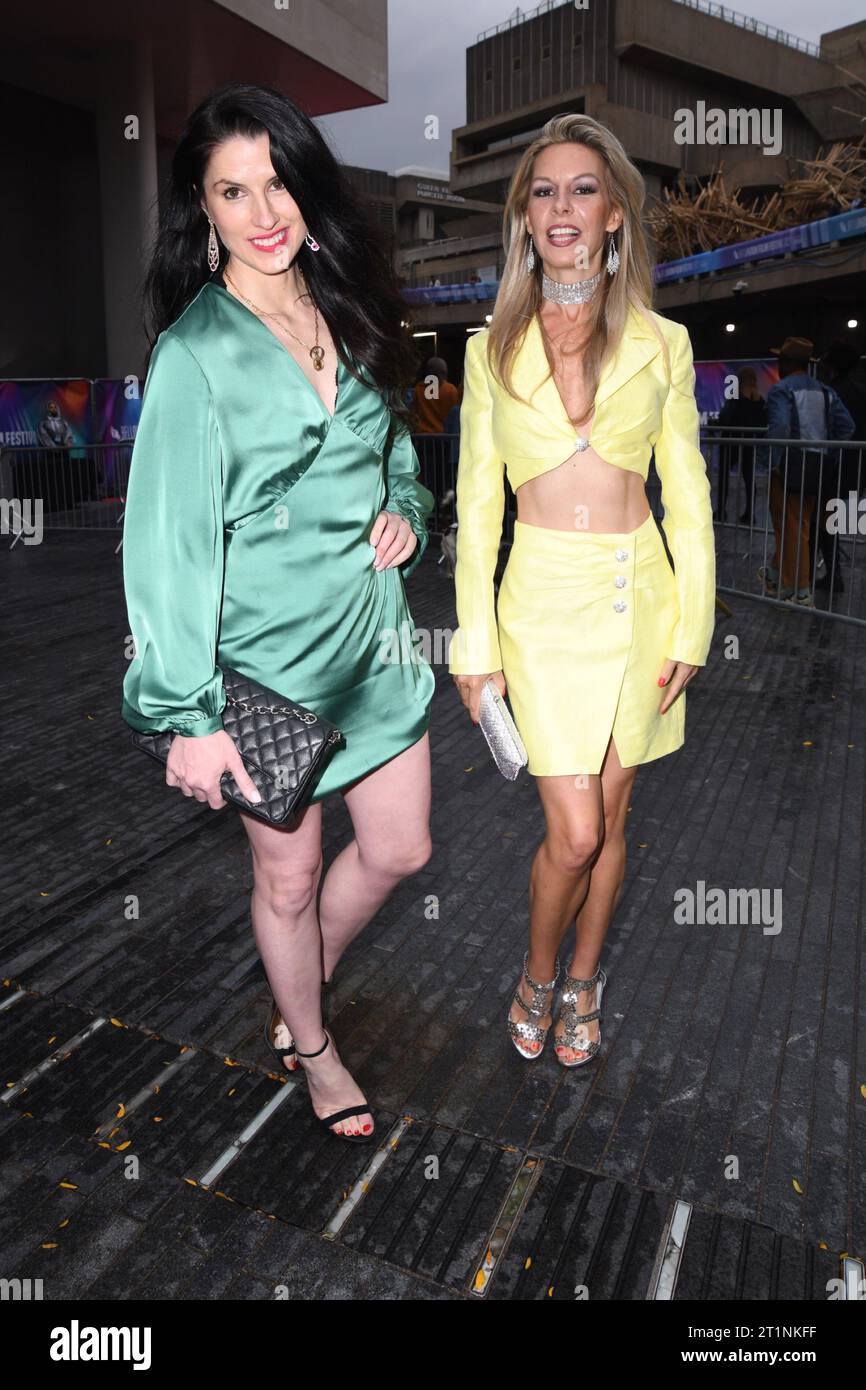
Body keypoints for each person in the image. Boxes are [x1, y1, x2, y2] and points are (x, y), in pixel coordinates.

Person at [121, 82, 436, 1142]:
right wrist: (184, 713)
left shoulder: (347, 309)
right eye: (231, 190)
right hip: (261, 670)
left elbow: (393, 448)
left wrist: (404, 507)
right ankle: (311, 1043)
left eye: (277, 181)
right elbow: (164, 546)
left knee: (400, 850)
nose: (263, 211)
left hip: (376, 642)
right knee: (288, 873)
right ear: (200, 211)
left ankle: (298, 981)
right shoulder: (194, 357)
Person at [449, 114, 715, 1067]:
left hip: (641, 598)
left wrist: (695, 621)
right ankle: (534, 970)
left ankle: (585, 978)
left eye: (584, 190)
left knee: (615, 816)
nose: (563, 206)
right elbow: (479, 506)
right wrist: (470, 645)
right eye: (546, 190)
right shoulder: (489, 348)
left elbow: (685, 492)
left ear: (614, 216)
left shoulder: (665, 342)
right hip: (540, 612)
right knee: (574, 829)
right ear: (525, 215)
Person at [760, 337, 854, 606]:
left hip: (789, 464)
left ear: (785, 364)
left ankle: (798, 590)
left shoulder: (782, 390)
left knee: (790, 527)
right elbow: (846, 427)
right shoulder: (826, 391)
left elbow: (778, 427)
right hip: (818, 466)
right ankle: (778, 575)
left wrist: (772, 462)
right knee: (800, 526)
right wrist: (829, 455)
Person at [811, 340, 866, 593]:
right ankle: (832, 575)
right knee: (837, 523)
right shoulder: (859, 391)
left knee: (822, 523)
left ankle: (826, 575)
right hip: (857, 468)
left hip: (835, 467)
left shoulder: (832, 392)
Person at [714, 366, 767, 525]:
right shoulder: (759, 400)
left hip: (731, 442)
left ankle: (721, 510)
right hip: (749, 443)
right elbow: (762, 423)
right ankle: (750, 514)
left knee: (724, 477)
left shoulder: (735, 397)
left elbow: (726, 417)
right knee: (750, 479)